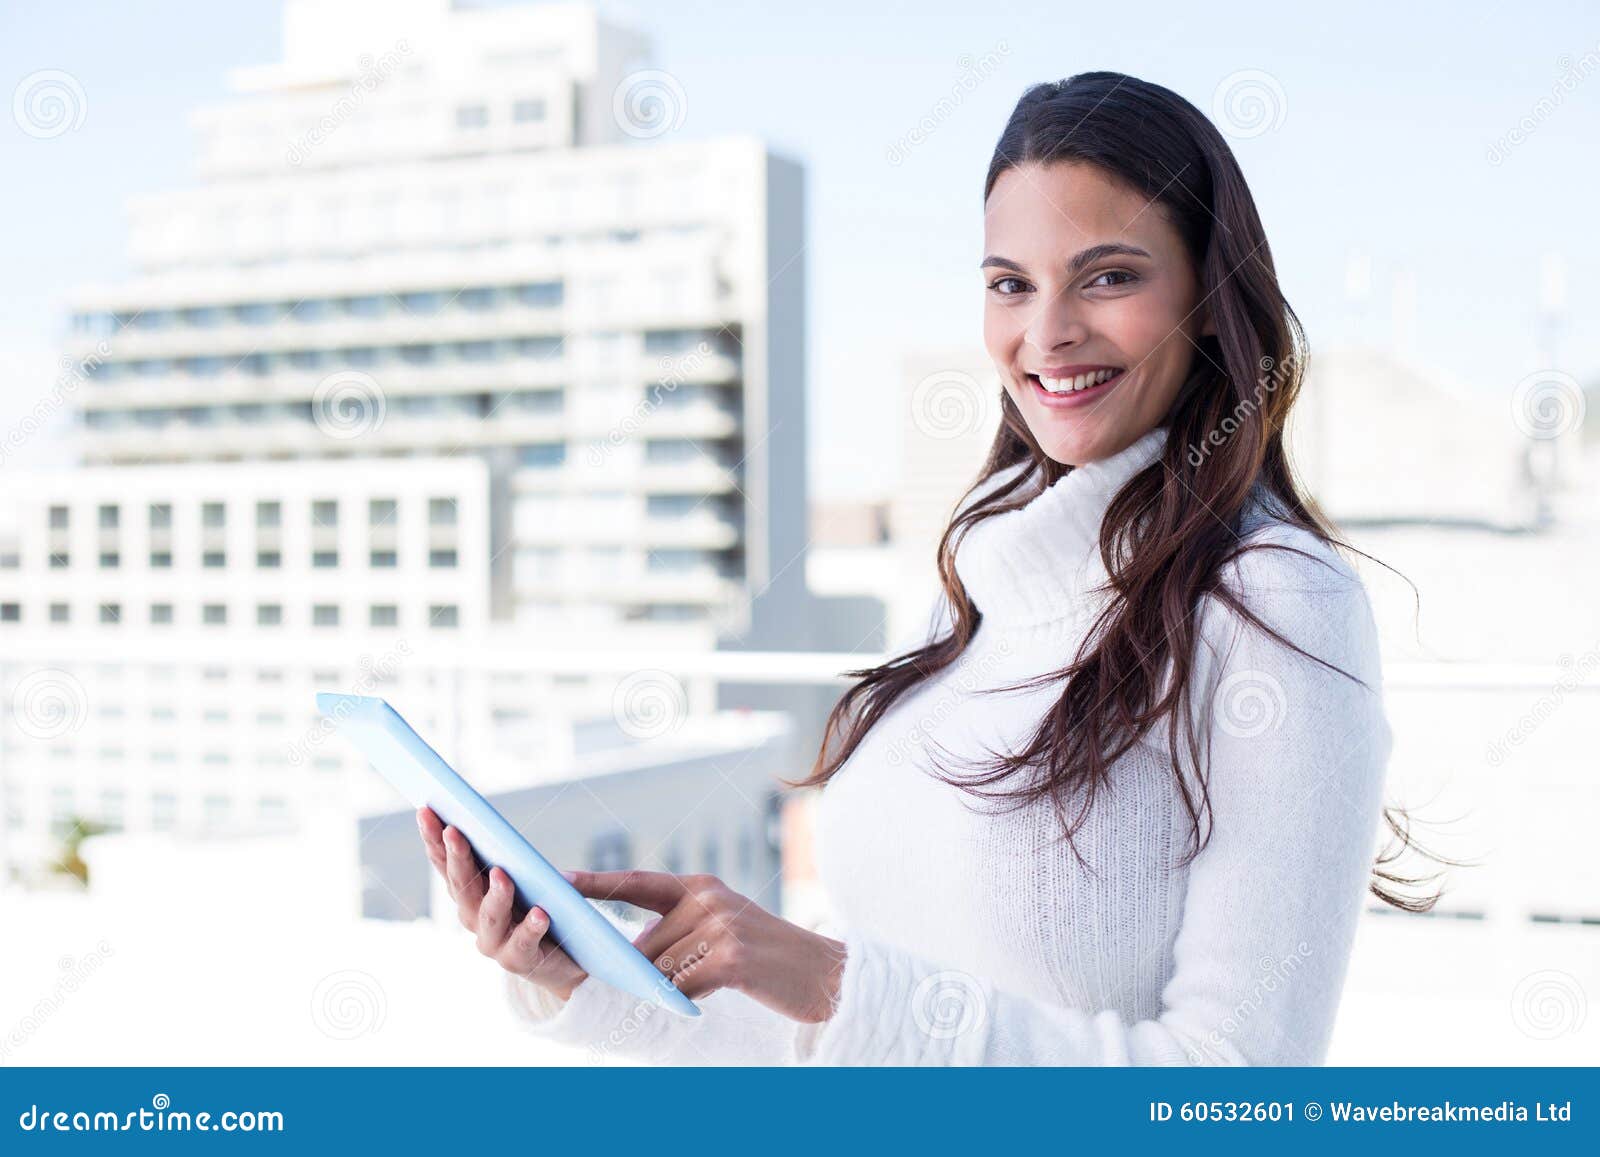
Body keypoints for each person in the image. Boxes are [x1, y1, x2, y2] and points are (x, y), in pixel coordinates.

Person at [416, 70, 1435, 1066]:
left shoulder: (1277, 602)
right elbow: (853, 1041)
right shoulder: (976, 591)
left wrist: (827, 977)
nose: (1047, 333)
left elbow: (1237, 1080)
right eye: (1010, 284)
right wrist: (590, 976)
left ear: (1209, 297)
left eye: (1109, 275)